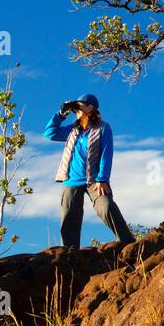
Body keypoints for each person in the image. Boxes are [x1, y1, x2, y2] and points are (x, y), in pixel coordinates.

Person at [44, 93, 135, 247]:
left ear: (90, 107)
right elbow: (49, 134)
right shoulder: (71, 130)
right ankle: (70, 254)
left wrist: (103, 179)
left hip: (95, 180)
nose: (76, 111)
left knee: (106, 207)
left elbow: (107, 153)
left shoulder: (103, 128)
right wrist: (61, 114)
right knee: (69, 218)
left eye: (79, 107)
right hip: (71, 180)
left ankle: (129, 243)